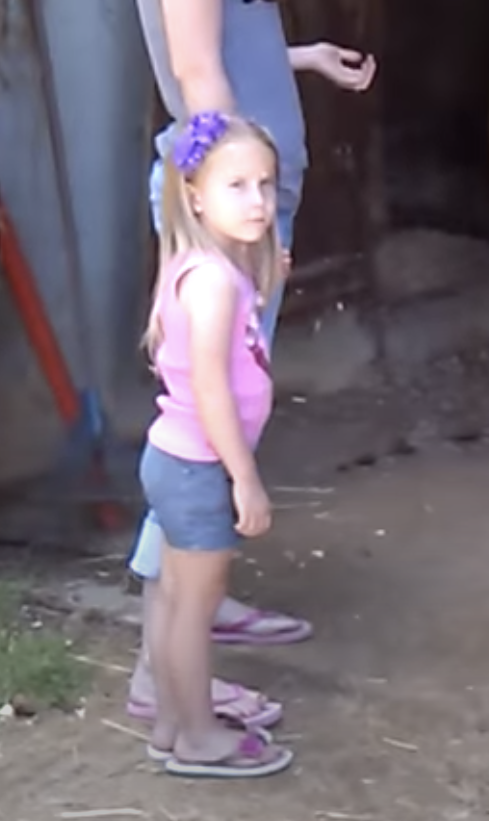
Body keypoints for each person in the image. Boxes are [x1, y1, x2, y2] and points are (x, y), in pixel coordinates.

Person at [125, 0, 377, 730]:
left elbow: (224, 33)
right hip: (226, 205)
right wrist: (242, 221)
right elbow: (195, 71)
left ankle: (196, 613)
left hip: (232, 196)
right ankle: (168, 665)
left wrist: (300, 55)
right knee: (202, 429)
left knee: (217, 409)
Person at [139, 111, 292, 778]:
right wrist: (244, 478)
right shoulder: (210, 282)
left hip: (174, 461)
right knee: (193, 611)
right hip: (201, 467)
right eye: (237, 185)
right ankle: (199, 735)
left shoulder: (201, 266)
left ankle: (174, 723)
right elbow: (212, 389)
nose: (257, 201)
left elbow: (233, 341)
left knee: (175, 601)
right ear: (195, 193)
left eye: (265, 185)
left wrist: (268, 281)